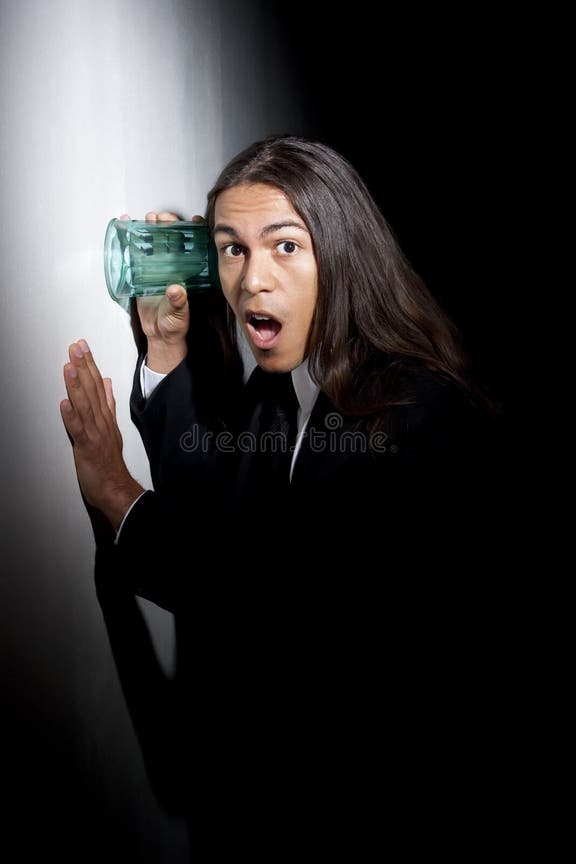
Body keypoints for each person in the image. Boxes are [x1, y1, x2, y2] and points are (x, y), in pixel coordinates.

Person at [61, 135, 507, 847]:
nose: (251, 280)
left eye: (285, 246)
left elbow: (266, 603)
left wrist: (118, 495)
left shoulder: (423, 418)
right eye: (232, 249)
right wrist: (169, 353)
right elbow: (217, 514)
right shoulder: (283, 396)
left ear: (343, 255)